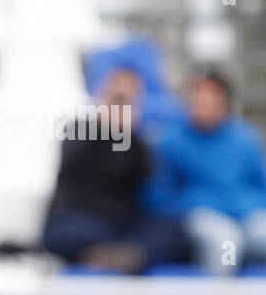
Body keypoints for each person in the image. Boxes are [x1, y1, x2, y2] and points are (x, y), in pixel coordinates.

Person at [42, 67, 188, 273]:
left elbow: (148, 176)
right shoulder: (79, 128)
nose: (121, 105)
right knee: (69, 234)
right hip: (79, 215)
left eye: (128, 100)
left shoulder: (136, 140)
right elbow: (73, 163)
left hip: (121, 225)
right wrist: (105, 125)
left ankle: (116, 256)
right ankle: (117, 255)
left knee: (176, 229)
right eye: (116, 97)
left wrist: (128, 134)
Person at [144, 69, 266, 275]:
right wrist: (192, 205)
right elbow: (159, 195)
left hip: (247, 218)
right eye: (197, 95)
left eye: (211, 95)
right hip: (203, 219)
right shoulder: (170, 141)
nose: (202, 101)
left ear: (225, 101)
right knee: (227, 244)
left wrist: (249, 206)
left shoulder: (246, 138)